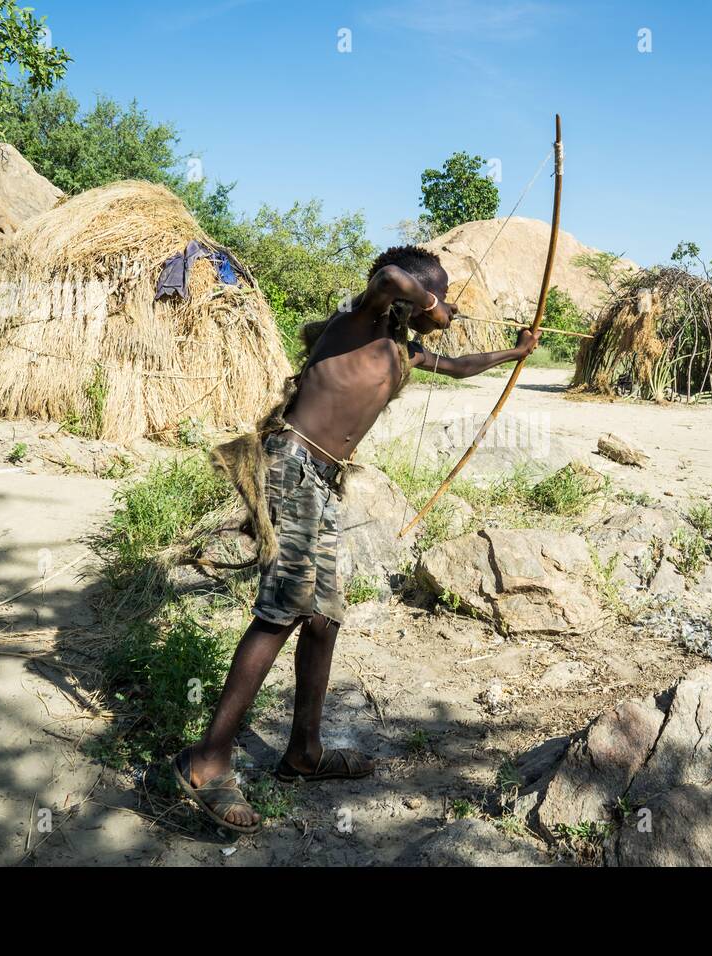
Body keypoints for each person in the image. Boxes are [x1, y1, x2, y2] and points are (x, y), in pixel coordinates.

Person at [172, 245, 541, 832]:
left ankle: (304, 753)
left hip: (320, 478)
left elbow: (462, 367)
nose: (441, 303)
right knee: (281, 611)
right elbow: (390, 277)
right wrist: (429, 300)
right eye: (437, 292)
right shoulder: (359, 320)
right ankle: (207, 759)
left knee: (322, 618)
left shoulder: (404, 350)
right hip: (288, 464)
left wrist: (515, 352)